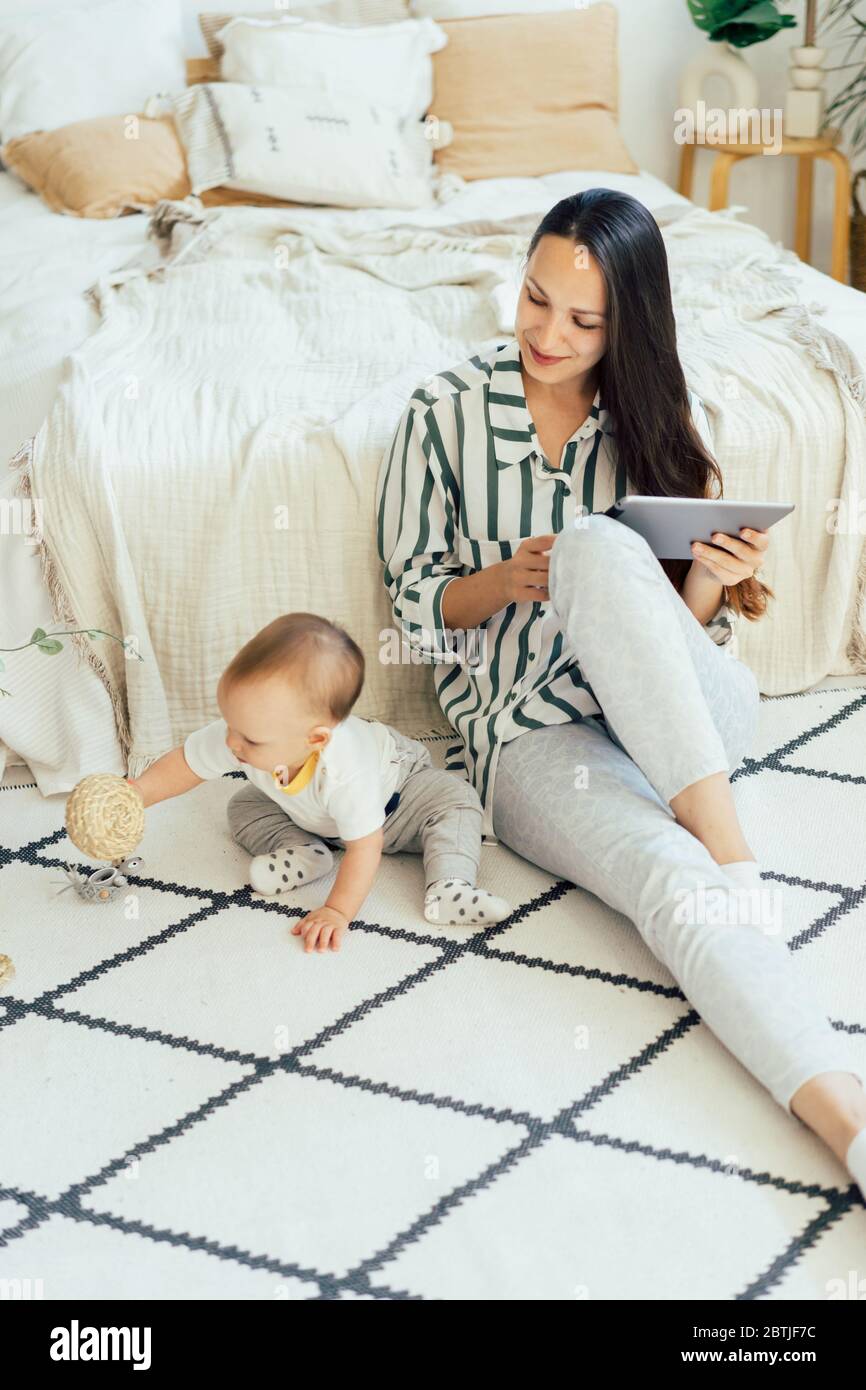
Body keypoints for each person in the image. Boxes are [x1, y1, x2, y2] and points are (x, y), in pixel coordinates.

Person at [375, 188, 866, 1200]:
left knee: (599, 548)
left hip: (684, 720)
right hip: (533, 735)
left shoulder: (645, 418)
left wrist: (708, 576)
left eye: (582, 319)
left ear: (624, 324)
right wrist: (504, 580)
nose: (548, 332)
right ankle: (848, 1126)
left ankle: (725, 851)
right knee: (668, 886)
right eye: (534, 298)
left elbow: (678, 647)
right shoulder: (440, 418)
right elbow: (412, 614)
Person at [128, 613, 511, 953]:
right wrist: (138, 792)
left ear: (315, 740)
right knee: (244, 806)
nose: (231, 742)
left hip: (396, 801)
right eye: (230, 723)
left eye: (249, 739)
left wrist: (337, 910)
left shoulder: (346, 769)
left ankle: (449, 886)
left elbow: (366, 846)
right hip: (317, 817)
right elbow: (186, 763)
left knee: (457, 799)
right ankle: (305, 851)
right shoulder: (247, 732)